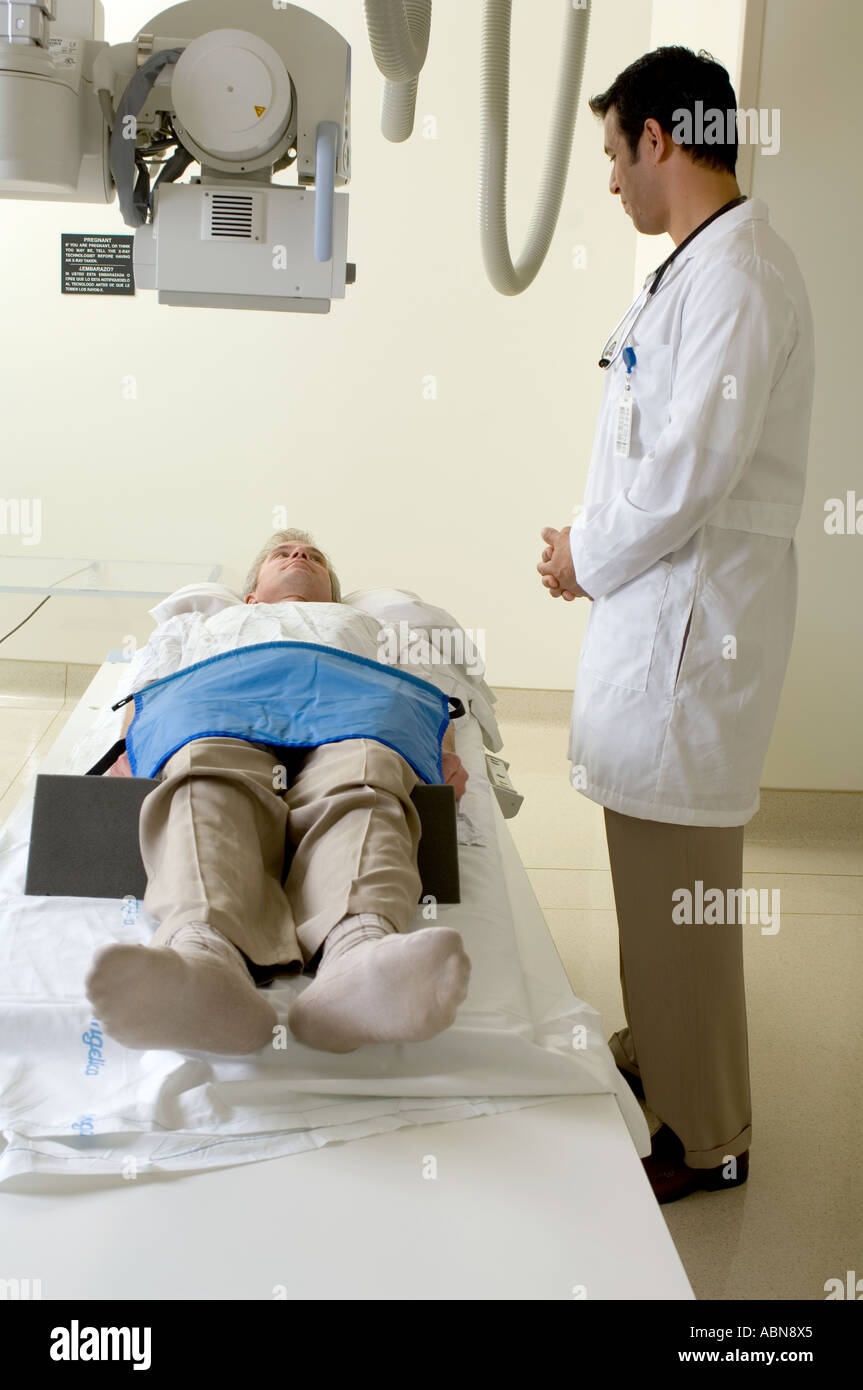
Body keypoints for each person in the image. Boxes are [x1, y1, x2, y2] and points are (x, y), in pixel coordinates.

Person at [537, 48, 815, 1204]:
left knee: (683, 899)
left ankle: (706, 1139)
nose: (608, 179)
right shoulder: (689, 271)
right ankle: (659, 1059)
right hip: (661, 624)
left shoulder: (737, 274)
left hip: (690, 642)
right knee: (653, 893)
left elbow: (685, 471)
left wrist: (580, 556)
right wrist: (592, 553)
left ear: (660, 138)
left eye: (612, 151)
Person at [86, 530, 471, 1058]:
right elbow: (152, 688)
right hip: (218, 708)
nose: (299, 557)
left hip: (353, 711)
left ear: (334, 596)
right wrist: (130, 749)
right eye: (283, 554)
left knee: (365, 773)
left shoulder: (372, 626)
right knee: (204, 776)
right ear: (250, 595)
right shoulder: (202, 624)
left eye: (313, 556)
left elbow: (425, 693)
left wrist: (444, 755)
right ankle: (204, 962)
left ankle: (357, 958)